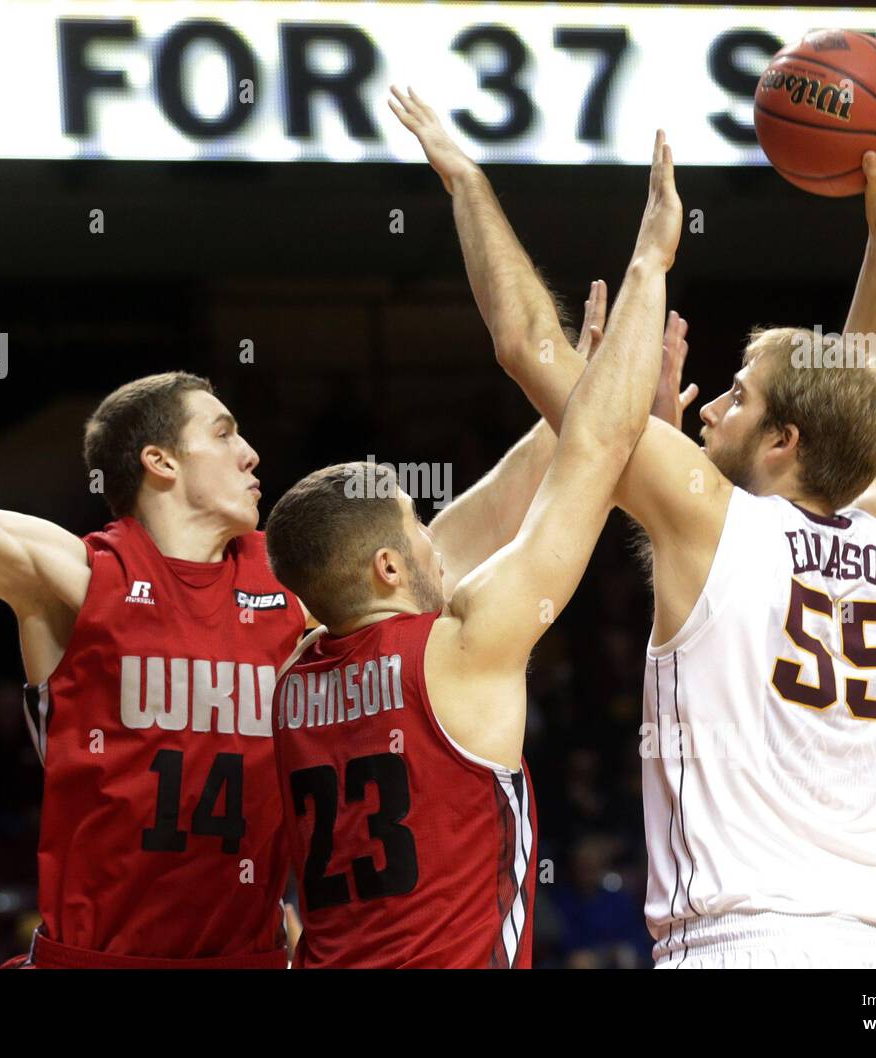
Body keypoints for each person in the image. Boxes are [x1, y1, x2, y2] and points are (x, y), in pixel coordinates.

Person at [0, 182, 594, 968]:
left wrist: (585, 399)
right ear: (160, 461)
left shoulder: (294, 591)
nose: (251, 453)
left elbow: (459, 530)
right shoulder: (75, 576)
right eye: (223, 434)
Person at [397, 82, 876, 968]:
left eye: (738, 395)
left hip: (741, 942)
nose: (713, 405)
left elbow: (528, 347)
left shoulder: (709, 516)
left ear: (783, 440)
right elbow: (862, 408)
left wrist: (469, 187)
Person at [262, 126, 681, 967]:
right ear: (387, 565)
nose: (434, 530)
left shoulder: (293, 675)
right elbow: (595, 451)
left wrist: (573, 399)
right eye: (418, 521)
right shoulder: (461, 644)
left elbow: (488, 514)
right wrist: (651, 264)